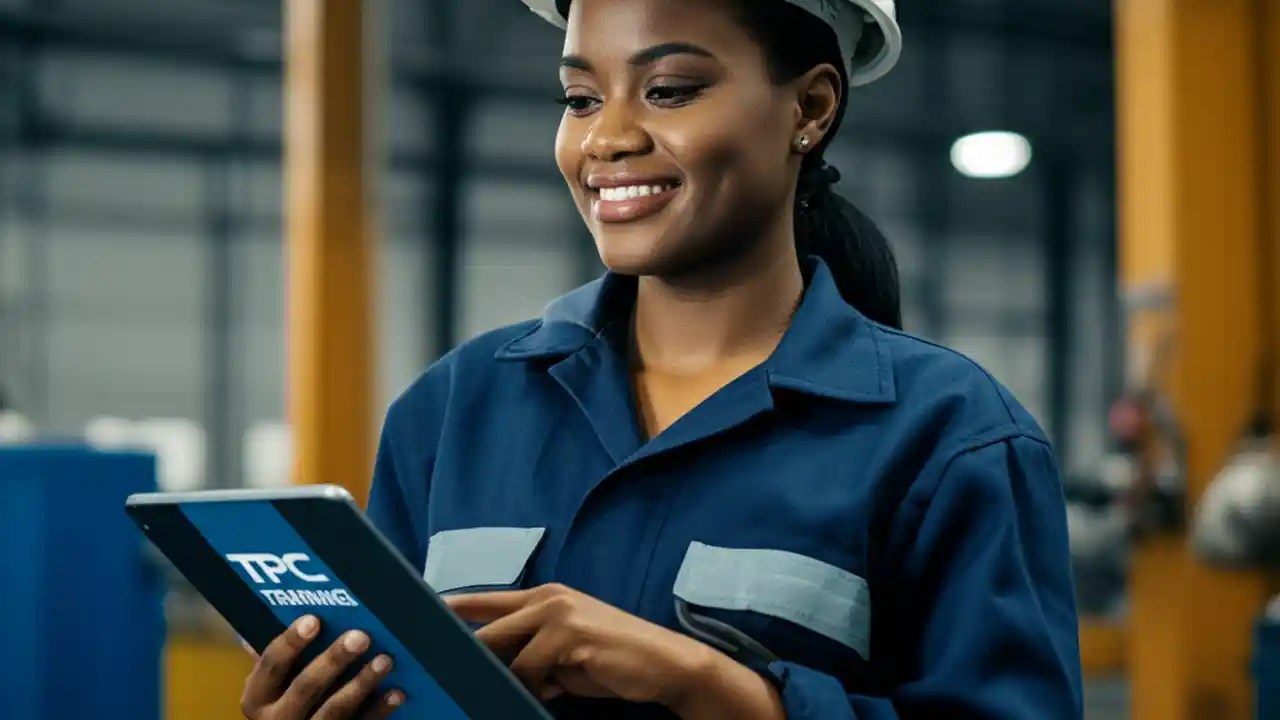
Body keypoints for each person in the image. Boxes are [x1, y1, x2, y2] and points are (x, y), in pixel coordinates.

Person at [238, 0, 1083, 718]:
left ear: (811, 108)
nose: (605, 138)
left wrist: (719, 688)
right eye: (578, 96)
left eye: (669, 90)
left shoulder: (949, 438)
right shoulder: (454, 409)